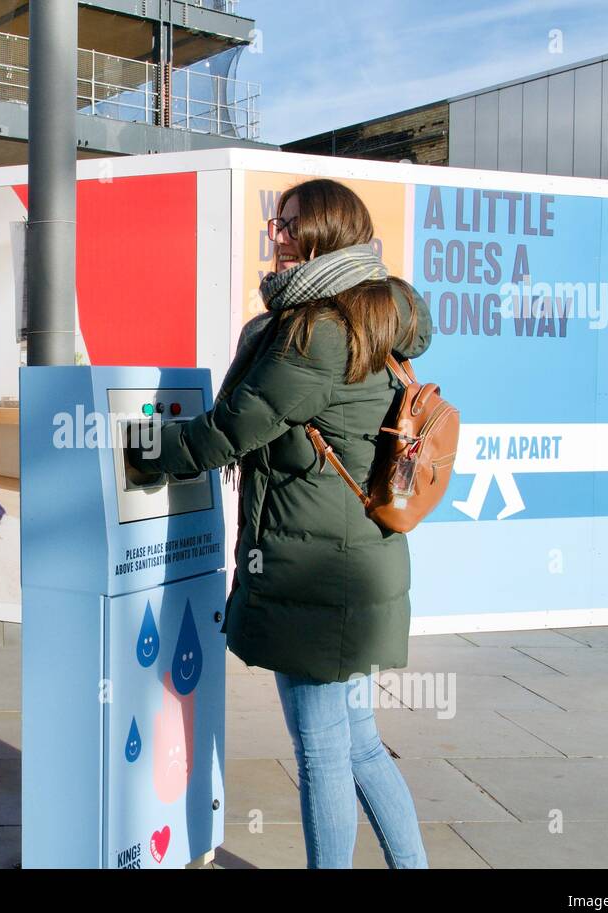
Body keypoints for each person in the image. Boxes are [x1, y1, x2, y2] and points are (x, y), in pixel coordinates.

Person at [128, 178, 432, 869]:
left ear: (326, 232)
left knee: (323, 749)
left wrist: (140, 451)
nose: (279, 235)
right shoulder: (371, 314)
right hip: (354, 560)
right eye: (278, 223)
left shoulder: (318, 332)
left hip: (317, 574)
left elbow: (232, 430)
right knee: (355, 740)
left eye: (292, 225)